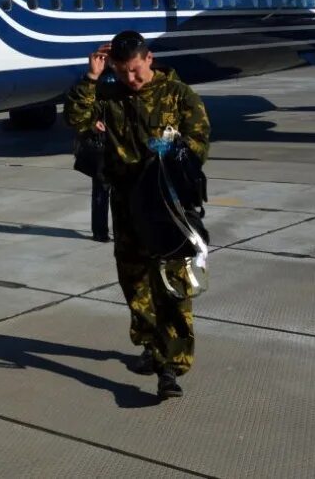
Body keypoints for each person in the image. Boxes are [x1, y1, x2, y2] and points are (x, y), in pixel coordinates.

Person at [73, 31, 210, 399]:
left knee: (171, 284)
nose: (129, 80)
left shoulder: (178, 94)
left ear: (149, 59)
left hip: (166, 206)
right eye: (121, 72)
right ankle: (151, 346)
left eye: (134, 71)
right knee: (134, 280)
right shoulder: (109, 95)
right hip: (127, 204)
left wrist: (172, 150)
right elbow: (76, 118)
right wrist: (92, 77)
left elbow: (200, 140)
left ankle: (172, 366)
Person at [65, 46, 119, 242]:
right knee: (101, 191)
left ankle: (119, 231)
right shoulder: (90, 81)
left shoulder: (127, 77)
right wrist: (92, 75)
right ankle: (100, 231)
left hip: (124, 144)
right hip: (102, 145)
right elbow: (76, 110)